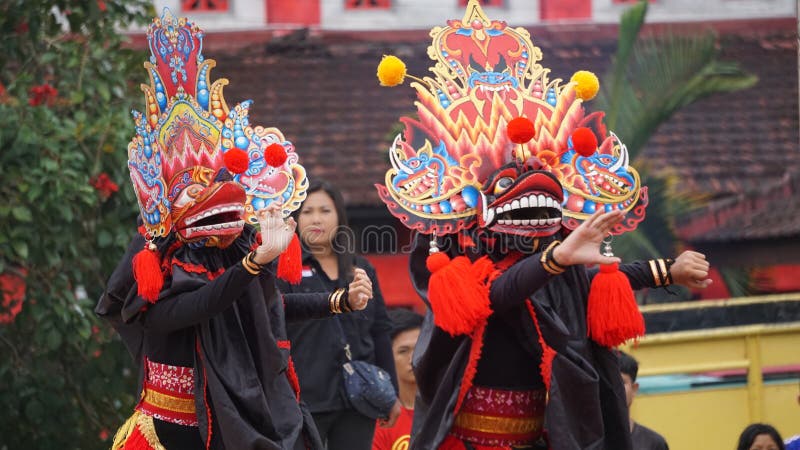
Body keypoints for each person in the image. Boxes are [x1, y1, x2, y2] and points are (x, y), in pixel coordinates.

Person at [374, 2, 712, 448]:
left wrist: (668, 269)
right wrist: (557, 257)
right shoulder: (461, 259)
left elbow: (586, 283)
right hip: (470, 438)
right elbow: (499, 294)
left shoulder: (551, 266)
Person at [95, 10, 372, 449]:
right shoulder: (158, 260)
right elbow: (183, 311)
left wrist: (339, 300)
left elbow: (267, 306)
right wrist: (252, 263)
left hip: (227, 419)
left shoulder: (232, 252)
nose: (208, 201)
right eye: (190, 194)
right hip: (170, 429)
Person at [277, 180, 401, 450]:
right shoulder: (285, 270)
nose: (316, 219)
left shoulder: (360, 269)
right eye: (307, 211)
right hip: (304, 398)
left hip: (359, 398)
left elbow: (380, 330)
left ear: (339, 217)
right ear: (295, 219)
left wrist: (392, 393)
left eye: (325, 210)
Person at [372, 308, 425, 450]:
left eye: (420, 347)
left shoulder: (445, 411)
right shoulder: (381, 420)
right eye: (403, 351)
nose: (414, 358)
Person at [617, 351, 669, 449]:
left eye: (621, 382)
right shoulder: (585, 442)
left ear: (634, 389)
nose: (614, 389)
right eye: (608, 382)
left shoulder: (653, 444)